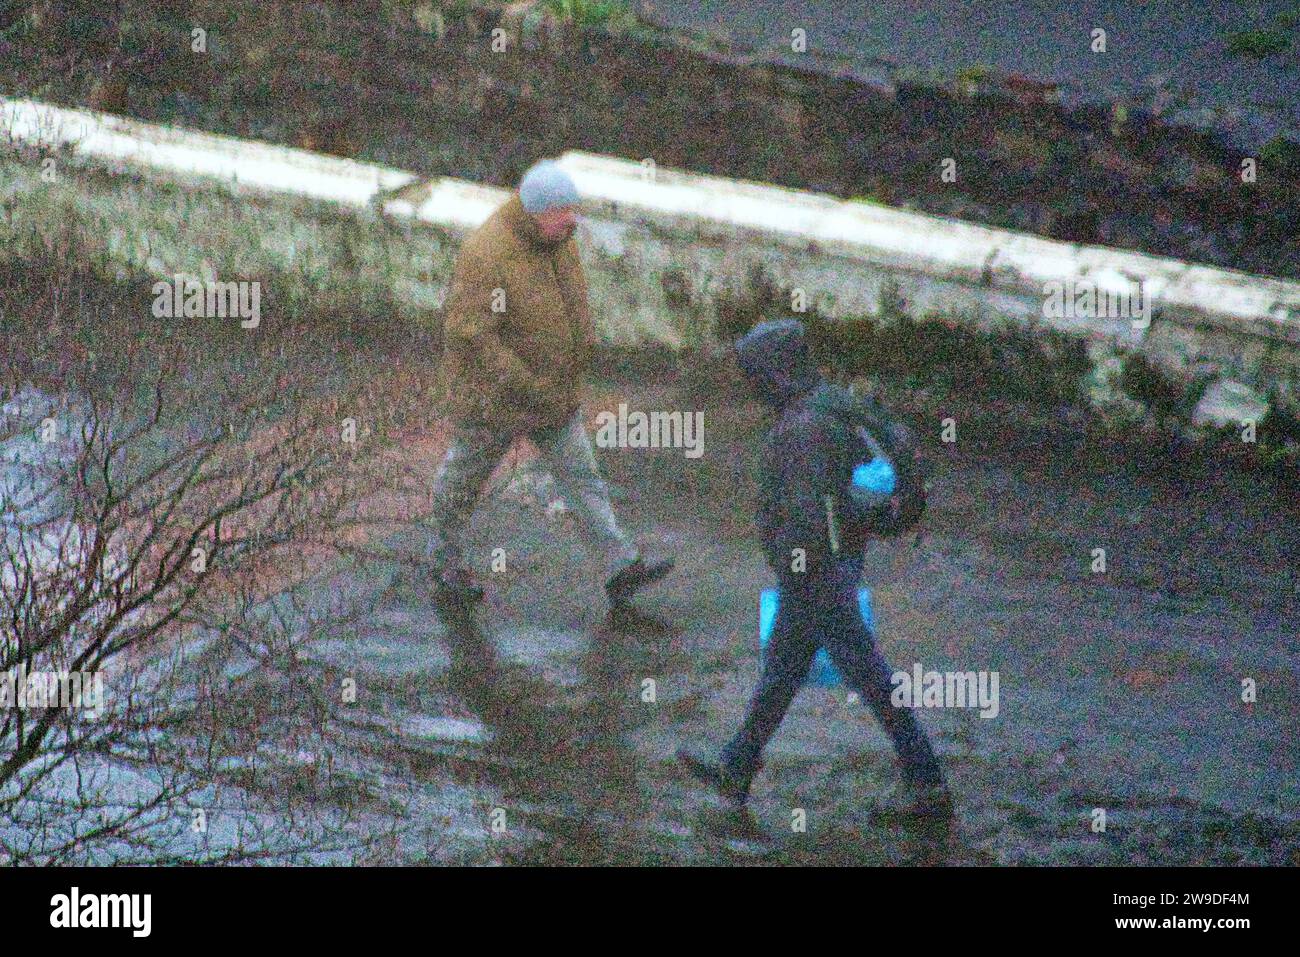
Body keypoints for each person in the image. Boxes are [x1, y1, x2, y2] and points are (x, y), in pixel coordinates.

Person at [677, 318, 953, 822]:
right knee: (785, 666)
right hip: (833, 564)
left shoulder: (802, 429)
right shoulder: (828, 406)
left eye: (756, 377)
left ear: (776, 375)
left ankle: (929, 786)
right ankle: (737, 765)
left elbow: (804, 514)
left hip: (818, 574)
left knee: (866, 675)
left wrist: (794, 573)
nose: (753, 388)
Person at [422, 159, 672, 607]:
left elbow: (572, 303)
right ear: (536, 212)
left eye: (572, 209)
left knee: (583, 478)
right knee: (463, 480)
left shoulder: (558, 241)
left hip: (552, 394)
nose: (572, 219)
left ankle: (621, 566)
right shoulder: (487, 254)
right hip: (494, 398)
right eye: (562, 211)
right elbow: (469, 332)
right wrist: (522, 381)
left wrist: (579, 351)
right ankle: (443, 562)